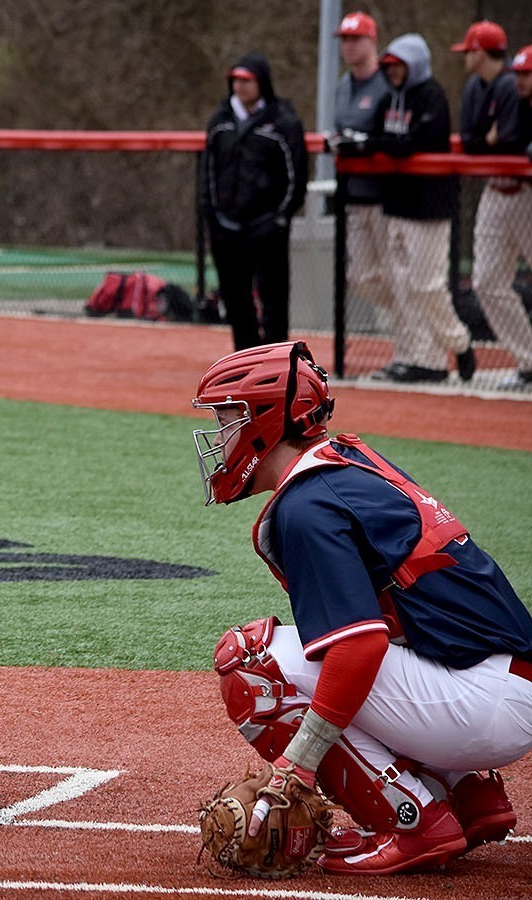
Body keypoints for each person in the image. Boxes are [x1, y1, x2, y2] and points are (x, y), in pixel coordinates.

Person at [192, 340, 532, 875]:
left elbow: (360, 646)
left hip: (480, 701)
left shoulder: (306, 504)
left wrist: (297, 765)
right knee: (353, 644)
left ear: (263, 421)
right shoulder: (346, 461)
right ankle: (467, 794)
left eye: (228, 419)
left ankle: (413, 821)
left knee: (253, 662)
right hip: (495, 682)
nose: (220, 436)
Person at [337, 34, 477, 383]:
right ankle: (415, 357)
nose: (392, 72)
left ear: (414, 65)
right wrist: (361, 144)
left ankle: (459, 343)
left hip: (428, 207)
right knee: (402, 287)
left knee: (426, 285)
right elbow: (380, 138)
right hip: (395, 204)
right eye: (388, 66)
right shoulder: (390, 97)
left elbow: (412, 142)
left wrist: (372, 144)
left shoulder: (431, 96)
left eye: (398, 66)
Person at [199, 53, 308, 351]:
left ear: (262, 83)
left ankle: (276, 361)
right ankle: (245, 360)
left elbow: (296, 177)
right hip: (226, 227)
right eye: (236, 80)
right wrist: (212, 215)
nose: (240, 86)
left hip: (266, 227)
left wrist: (279, 218)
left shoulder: (283, 121)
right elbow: (207, 172)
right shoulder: (220, 121)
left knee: (274, 300)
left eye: (247, 80)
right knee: (236, 300)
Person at [454, 23, 532, 390]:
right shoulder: (475, 87)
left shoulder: (509, 88)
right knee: (486, 282)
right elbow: (471, 140)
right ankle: (529, 361)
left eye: (526, 74)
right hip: (493, 191)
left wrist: (495, 138)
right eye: (519, 73)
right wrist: (491, 138)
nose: (520, 80)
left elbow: (513, 138)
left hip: (525, 193)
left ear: (481, 52)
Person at [329, 13, 399, 364]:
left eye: (355, 39)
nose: (348, 46)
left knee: (396, 271)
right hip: (354, 194)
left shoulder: (387, 82)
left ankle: (414, 349)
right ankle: (409, 312)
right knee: (358, 276)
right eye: (344, 39)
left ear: (372, 41)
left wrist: (365, 143)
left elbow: (391, 137)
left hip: (385, 195)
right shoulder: (344, 85)